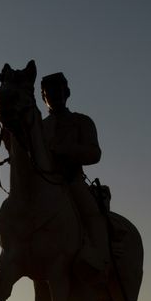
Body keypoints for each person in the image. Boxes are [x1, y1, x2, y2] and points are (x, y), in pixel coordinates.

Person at [40, 72, 110, 276]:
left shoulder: (81, 121)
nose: (54, 96)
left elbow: (94, 153)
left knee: (91, 212)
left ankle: (98, 256)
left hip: (71, 180)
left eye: (58, 91)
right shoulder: (40, 127)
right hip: (43, 183)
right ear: (43, 97)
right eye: (49, 93)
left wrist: (66, 150)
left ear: (67, 93)